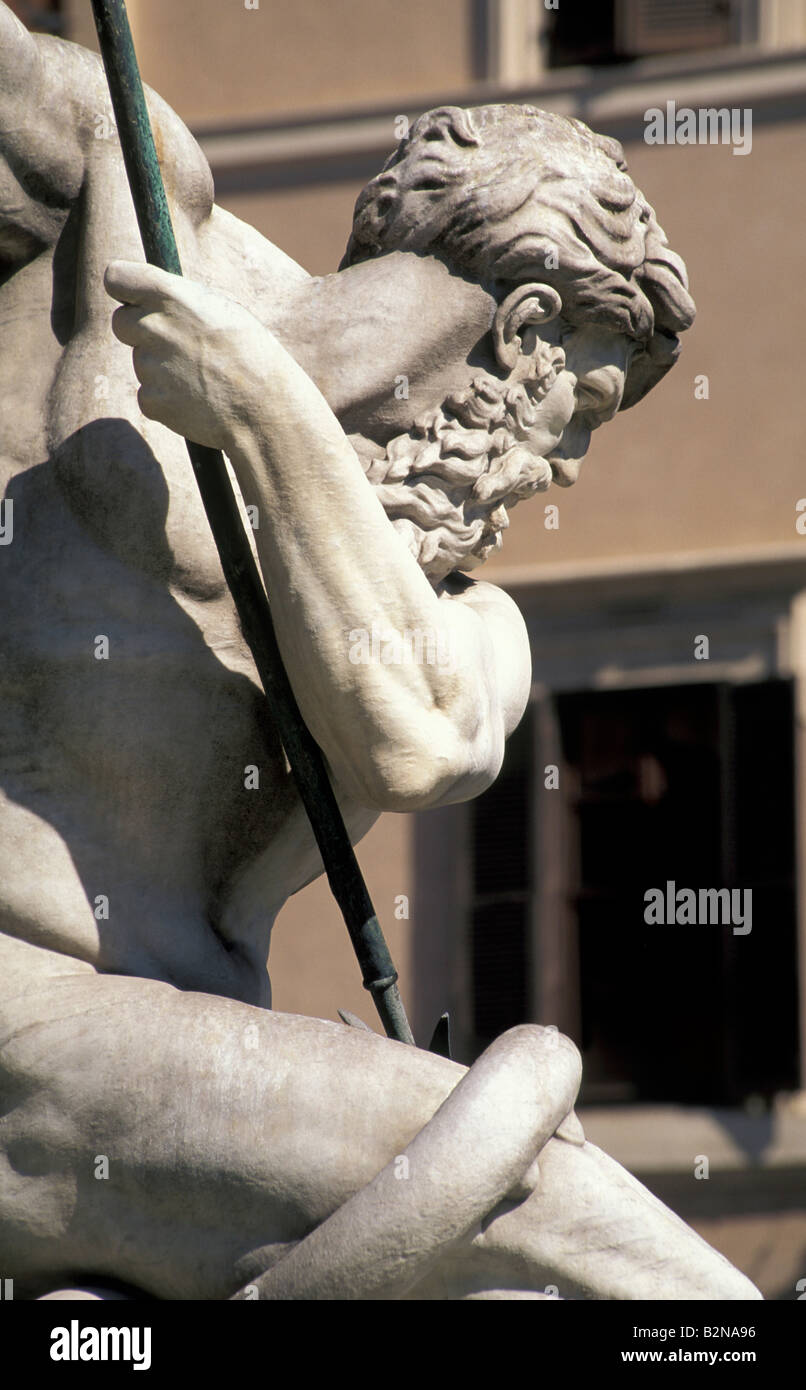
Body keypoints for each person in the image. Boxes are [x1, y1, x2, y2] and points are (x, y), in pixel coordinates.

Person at [0, 6, 757, 1299]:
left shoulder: (467, 618)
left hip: (175, 1056)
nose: (564, 468)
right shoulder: (134, 204)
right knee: (620, 1259)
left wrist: (266, 414)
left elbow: (408, 736)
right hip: (23, 1024)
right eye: (579, 405)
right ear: (522, 329)